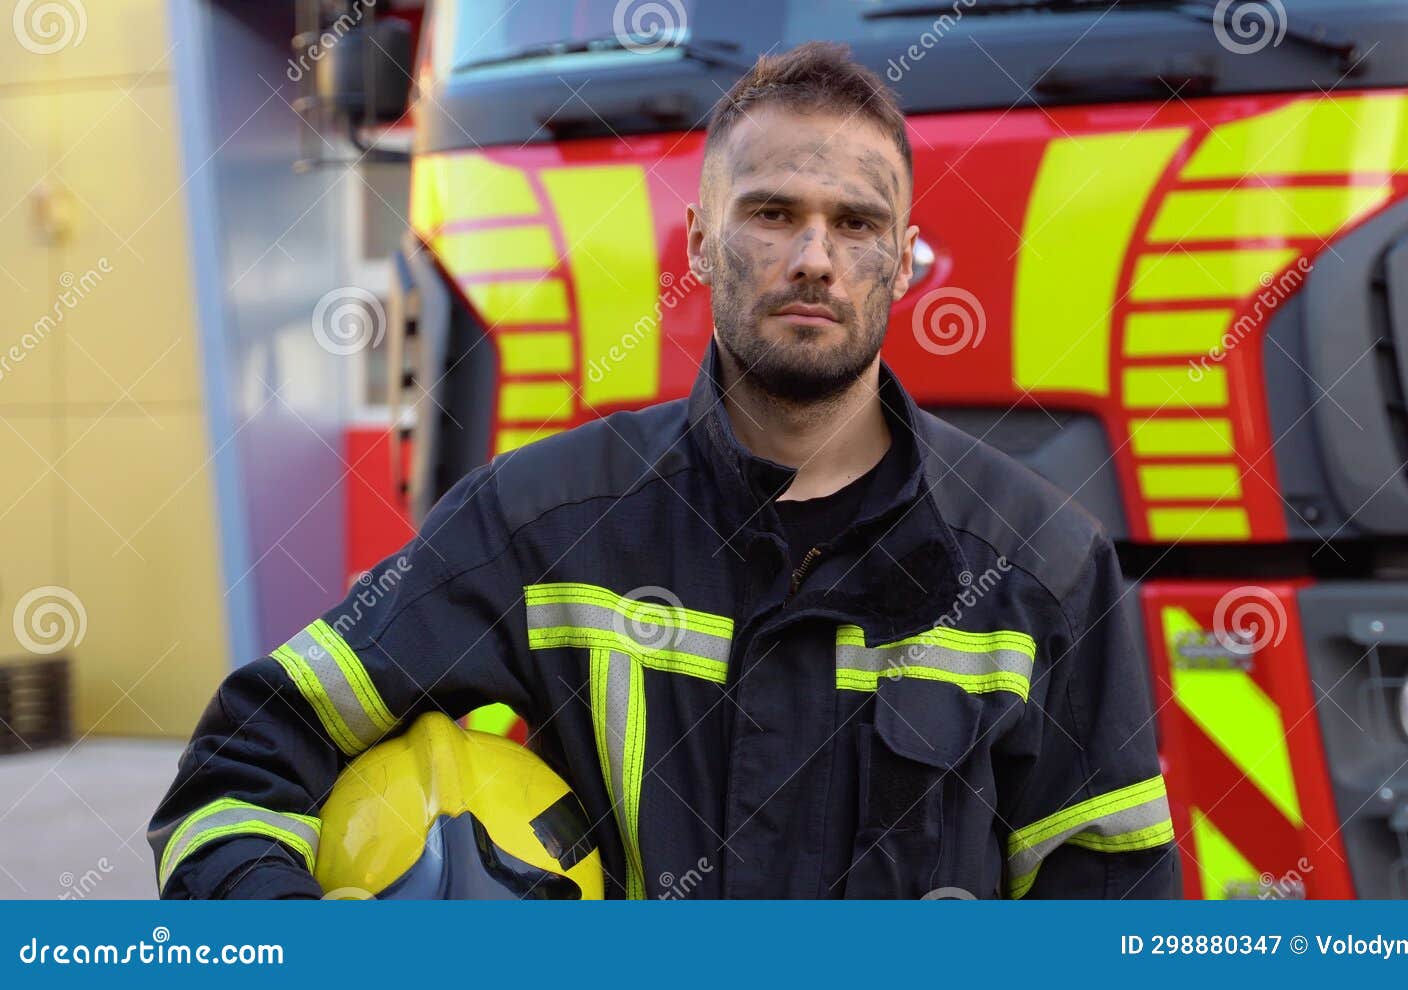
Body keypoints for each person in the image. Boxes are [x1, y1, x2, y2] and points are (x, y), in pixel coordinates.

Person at [149, 41, 1177, 900]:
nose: (814, 257)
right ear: (698, 242)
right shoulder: (543, 523)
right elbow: (242, 766)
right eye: (772, 214)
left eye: (856, 224)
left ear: (903, 262)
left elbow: (1110, 909)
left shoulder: (1044, 570)